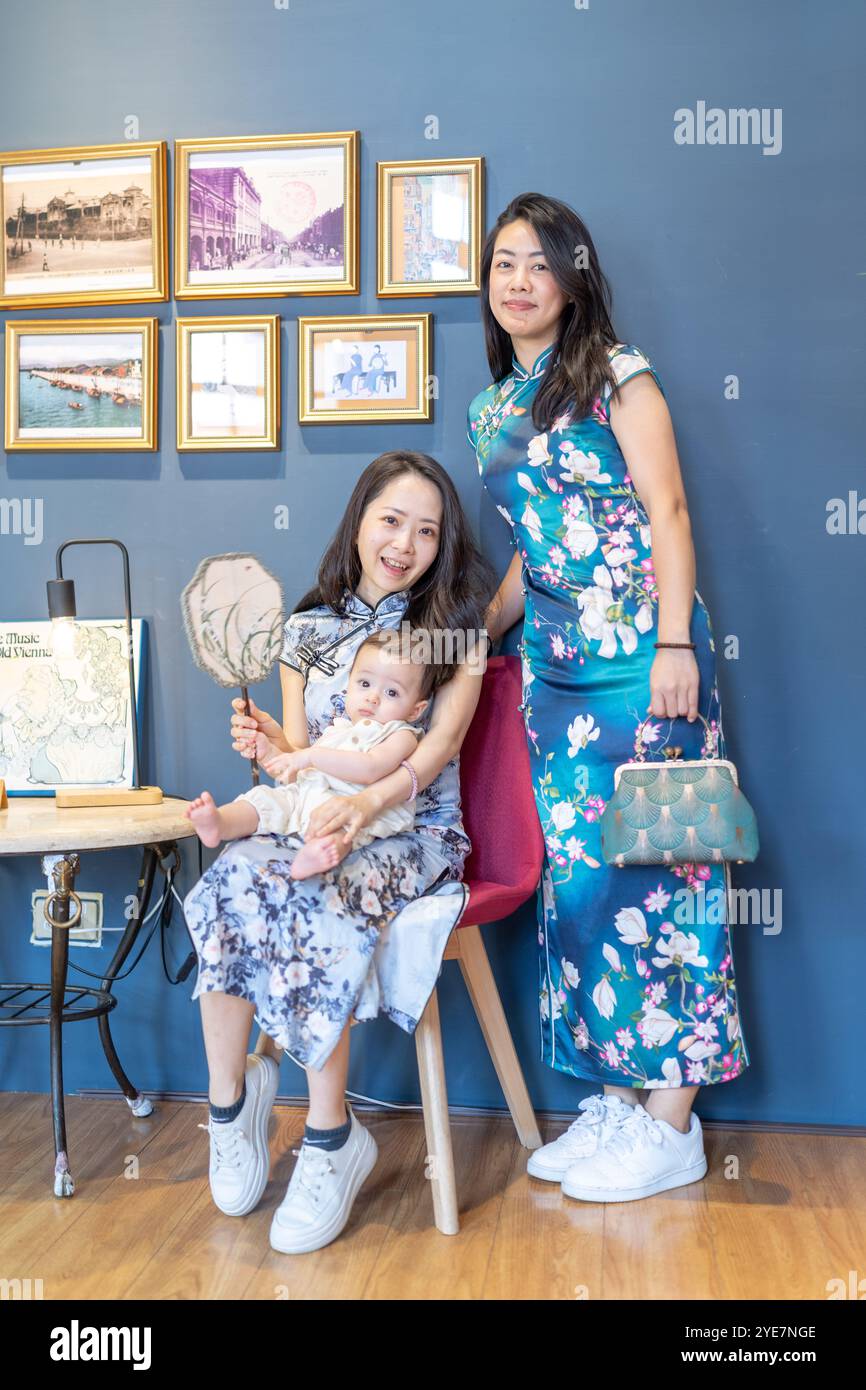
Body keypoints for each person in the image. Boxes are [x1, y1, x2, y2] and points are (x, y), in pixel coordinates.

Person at [467, 192, 750, 1204]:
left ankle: (673, 1119)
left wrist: (674, 640)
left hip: (640, 660)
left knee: (661, 876)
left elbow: (665, 509)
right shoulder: (494, 405)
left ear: (573, 278)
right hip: (552, 679)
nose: (516, 281)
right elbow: (526, 548)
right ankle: (621, 1097)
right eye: (502, 262)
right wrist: (474, 637)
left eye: (537, 263)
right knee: (582, 889)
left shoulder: (618, 376)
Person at [183, 450, 495, 1254]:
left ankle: (330, 1138)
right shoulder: (308, 630)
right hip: (320, 807)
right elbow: (306, 749)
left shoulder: (453, 633)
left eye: (427, 531)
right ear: (359, 521)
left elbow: (434, 753)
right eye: (391, 520)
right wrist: (269, 745)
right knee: (229, 879)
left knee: (318, 888)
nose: (405, 543)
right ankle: (230, 1104)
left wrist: (363, 806)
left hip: (412, 830)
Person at [184, 630, 433, 880]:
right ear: (349, 684)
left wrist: (310, 756)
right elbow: (302, 773)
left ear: (415, 709)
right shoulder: (339, 729)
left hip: (355, 809)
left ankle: (315, 856)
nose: (373, 697)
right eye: (365, 684)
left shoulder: (401, 734)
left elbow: (371, 769)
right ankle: (221, 822)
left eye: (392, 692)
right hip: (307, 797)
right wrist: (270, 751)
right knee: (264, 799)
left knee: (342, 832)